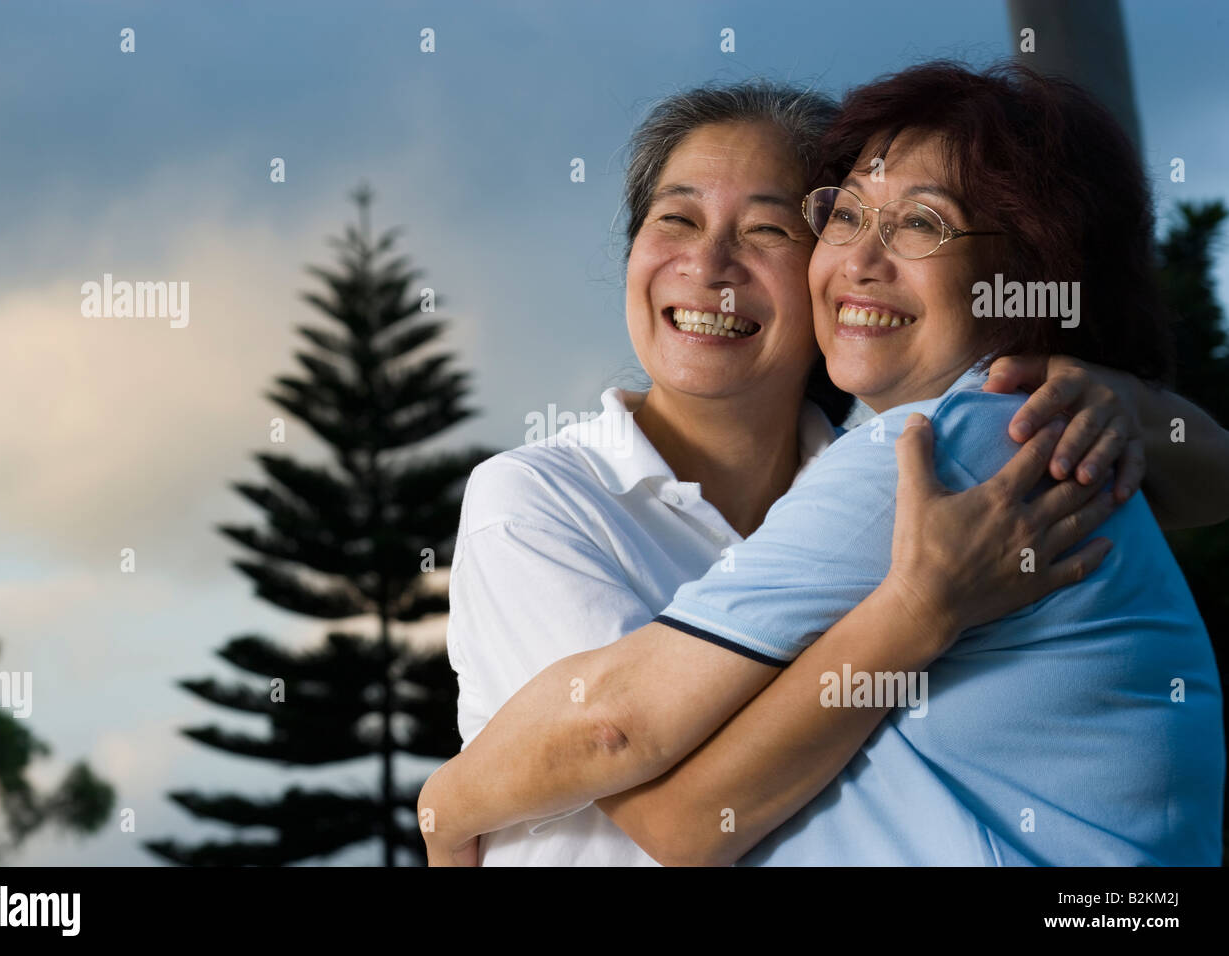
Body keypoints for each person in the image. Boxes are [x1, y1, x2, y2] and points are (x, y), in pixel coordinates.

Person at [430, 66, 1229, 866]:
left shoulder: (922, 458)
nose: (710, 266)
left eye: (920, 225)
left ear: (1020, 275)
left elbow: (662, 793)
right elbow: (609, 736)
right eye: (848, 217)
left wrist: (445, 800)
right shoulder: (538, 496)